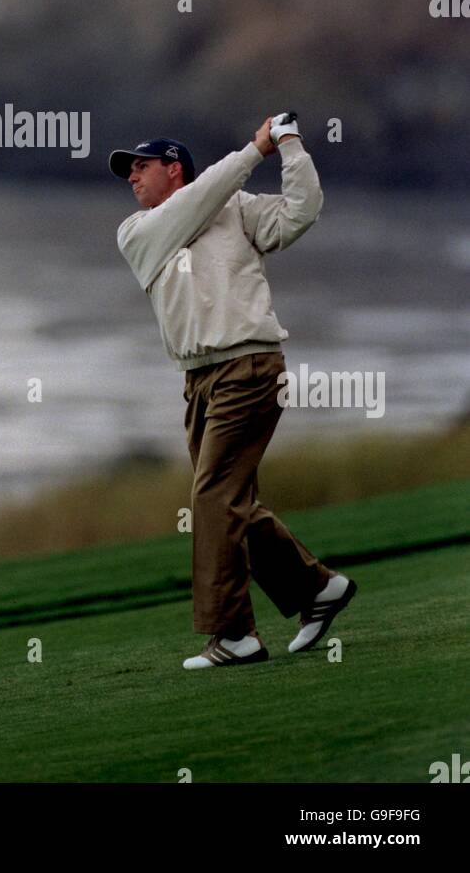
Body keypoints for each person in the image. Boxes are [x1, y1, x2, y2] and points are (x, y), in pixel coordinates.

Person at [110, 114, 357, 669]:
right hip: (198, 382)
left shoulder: (237, 209)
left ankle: (235, 635)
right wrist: (252, 150)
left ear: (174, 169)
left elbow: (301, 212)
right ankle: (317, 589)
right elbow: (195, 204)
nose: (131, 177)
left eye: (140, 166)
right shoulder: (138, 232)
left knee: (213, 498)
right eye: (129, 170)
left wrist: (289, 145)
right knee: (232, 502)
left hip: (249, 368)